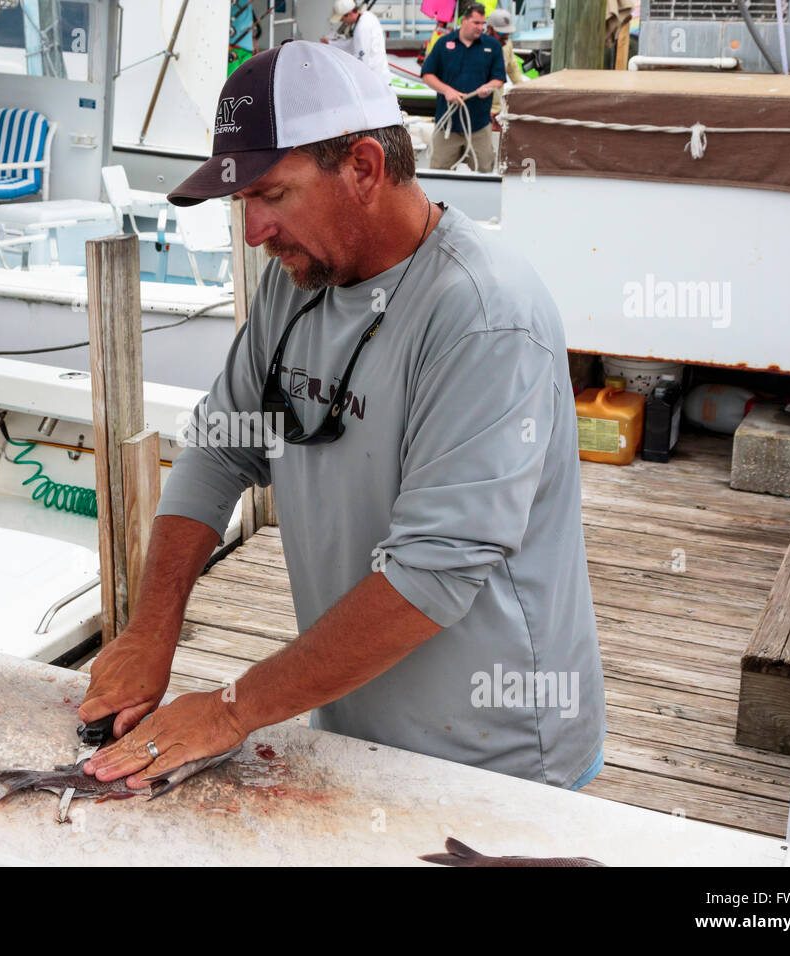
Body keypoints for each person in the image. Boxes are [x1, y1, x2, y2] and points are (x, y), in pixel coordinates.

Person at [76, 39, 605, 795]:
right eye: (242, 203)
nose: (254, 231)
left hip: (501, 761)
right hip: (354, 735)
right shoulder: (299, 281)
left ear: (363, 166)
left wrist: (232, 710)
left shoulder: (485, 316)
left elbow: (431, 573)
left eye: (272, 194)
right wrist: (152, 628)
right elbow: (223, 449)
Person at [419, 2, 504, 171]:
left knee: (484, 171)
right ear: (464, 20)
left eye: (483, 23)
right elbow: (427, 75)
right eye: (476, 23)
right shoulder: (444, 44)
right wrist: (447, 90)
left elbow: (499, 78)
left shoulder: (492, 46)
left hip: (479, 125)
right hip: (448, 125)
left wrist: (488, 87)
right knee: (438, 171)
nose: (481, 27)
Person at [320, 0, 389, 84]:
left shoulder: (362, 28)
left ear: (350, 13)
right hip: (380, 75)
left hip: (373, 80)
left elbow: (361, 60)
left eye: (343, 18)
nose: (342, 21)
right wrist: (330, 44)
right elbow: (352, 44)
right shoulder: (368, 16)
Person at [486, 7, 526, 122]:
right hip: (482, 108)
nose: (505, 36)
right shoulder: (478, 48)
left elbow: (512, 67)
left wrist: (521, 89)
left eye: (508, 33)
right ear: (489, 29)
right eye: (501, 32)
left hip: (498, 107)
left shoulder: (507, 44)